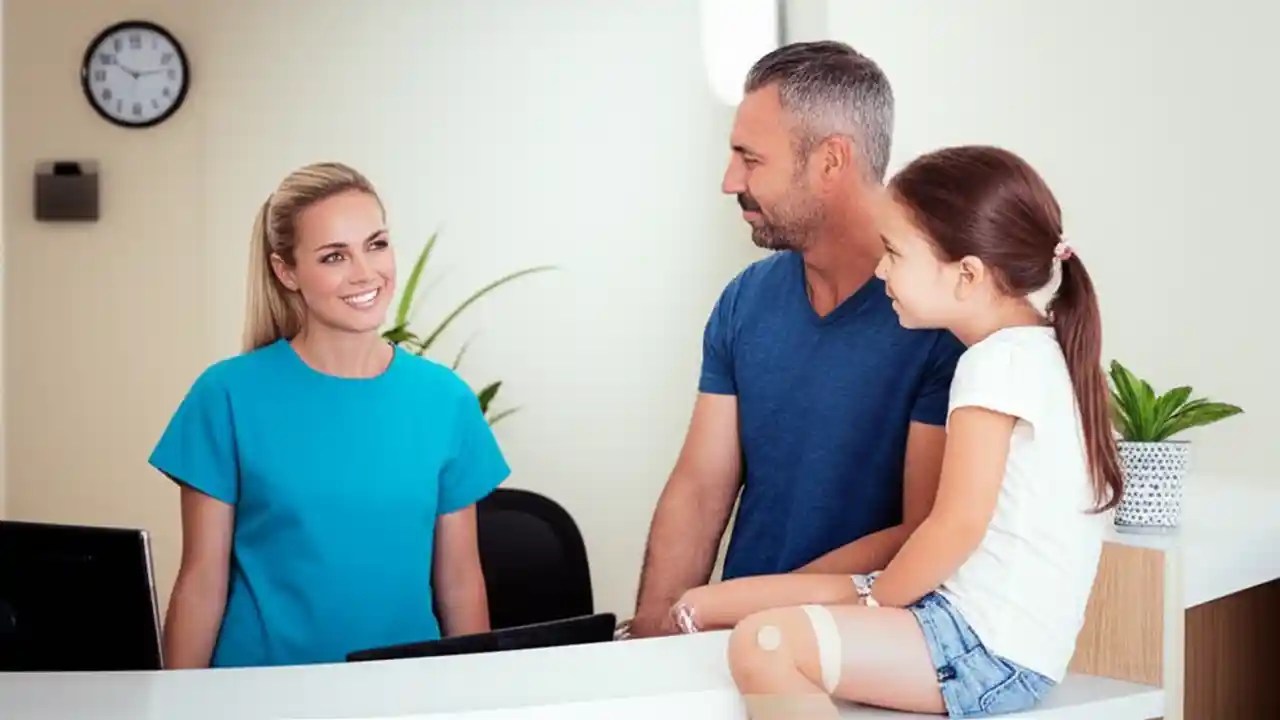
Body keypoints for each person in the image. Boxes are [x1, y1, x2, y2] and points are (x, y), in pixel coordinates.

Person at [670, 145, 1123, 719]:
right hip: (992, 638)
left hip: (979, 648)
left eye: (894, 252)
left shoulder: (994, 366)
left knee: (764, 644)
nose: (880, 269)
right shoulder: (1043, 352)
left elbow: (955, 523)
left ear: (967, 275)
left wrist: (878, 601)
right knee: (718, 605)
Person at [627, 41, 964, 638]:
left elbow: (926, 528)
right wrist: (654, 638)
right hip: (733, 641)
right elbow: (701, 491)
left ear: (831, 161)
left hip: (862, 651)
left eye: (750, 159)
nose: (730, 182)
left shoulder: (940, 318)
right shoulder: (743, 301)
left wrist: (759, 607)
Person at [151, 162, 510, 668]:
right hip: (258, 696)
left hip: (403, 693)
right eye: (334, 256)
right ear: (286, 271)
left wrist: (473, 697)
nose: (365, 273)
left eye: (376, 244)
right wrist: (175, 707)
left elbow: (459, 581)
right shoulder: (227, 395)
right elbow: (201, 583)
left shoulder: (444, 400)